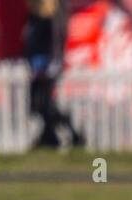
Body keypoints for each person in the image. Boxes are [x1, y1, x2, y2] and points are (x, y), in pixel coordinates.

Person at [24, 0, 85, 149]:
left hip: (49, 65)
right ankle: (50, 137)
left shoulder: (55, 14)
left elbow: (57, 39)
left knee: (46, 104)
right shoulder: (34, 16)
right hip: (37, 65)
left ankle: (67, 133)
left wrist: (53, 63)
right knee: (37, 104)